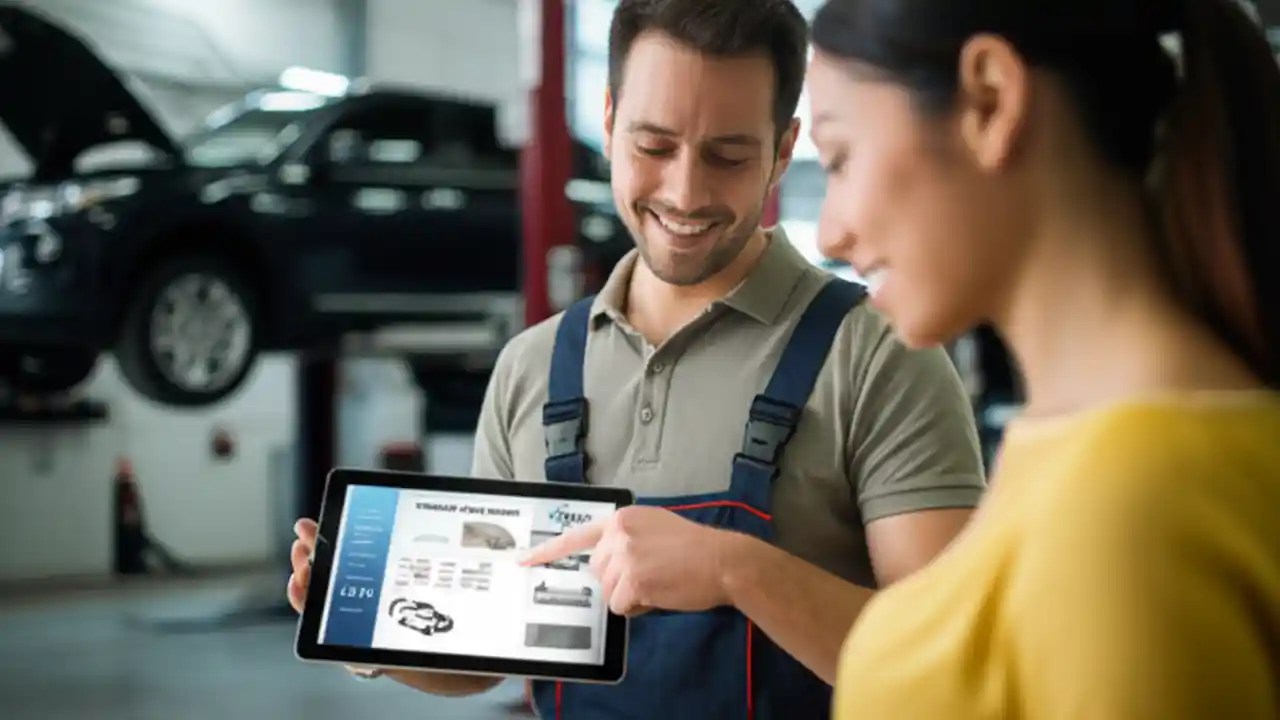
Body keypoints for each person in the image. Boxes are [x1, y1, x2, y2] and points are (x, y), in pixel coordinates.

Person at [289, 0, 989, 717]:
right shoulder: (532, 369)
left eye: (728, 156)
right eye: (654, 146)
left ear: (783, 150)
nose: (685, 193)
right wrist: (362, 625)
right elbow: (485, 659)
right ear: (609, 119)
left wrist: (737, 570)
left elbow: (949, 672)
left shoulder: (878, 355)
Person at [794, 0, 1276, 717]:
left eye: (841, 158)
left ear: (989, 102)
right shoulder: (1105, 457)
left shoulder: (1127, 512)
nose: (831, 233)